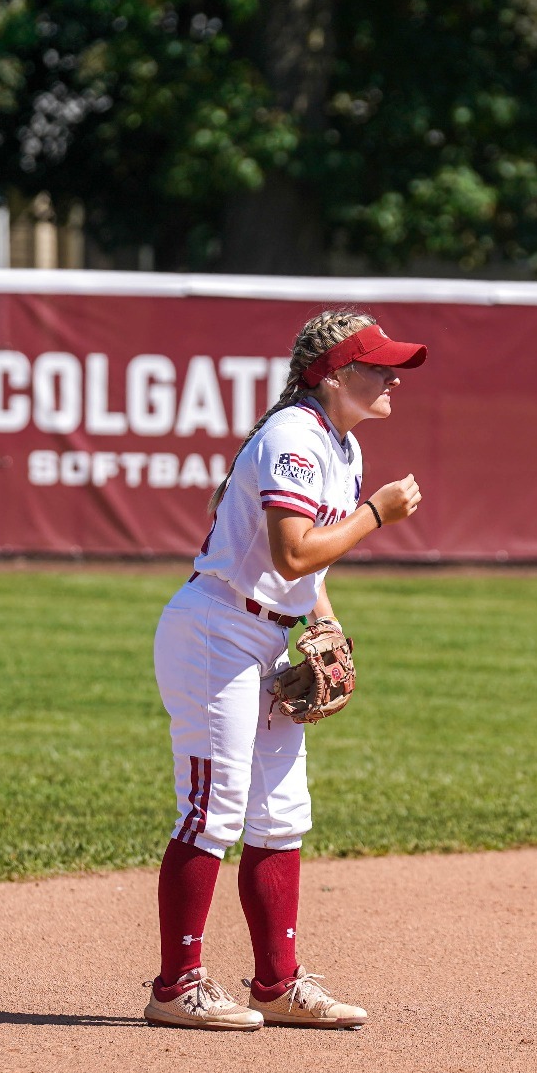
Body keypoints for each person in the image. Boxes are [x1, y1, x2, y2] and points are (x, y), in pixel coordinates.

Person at [144, 307, 425, 1030]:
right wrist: (376, 514)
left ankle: (277, 983)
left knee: (280, 812)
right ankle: (177, 985)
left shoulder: (341, 443)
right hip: (217, 632)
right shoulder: (294, 437)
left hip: (264, 633)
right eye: (377, 363)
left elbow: (309, 568)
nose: (393, 374)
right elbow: (293, 552)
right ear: (332, 374)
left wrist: (322, 619)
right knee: (214, 809)